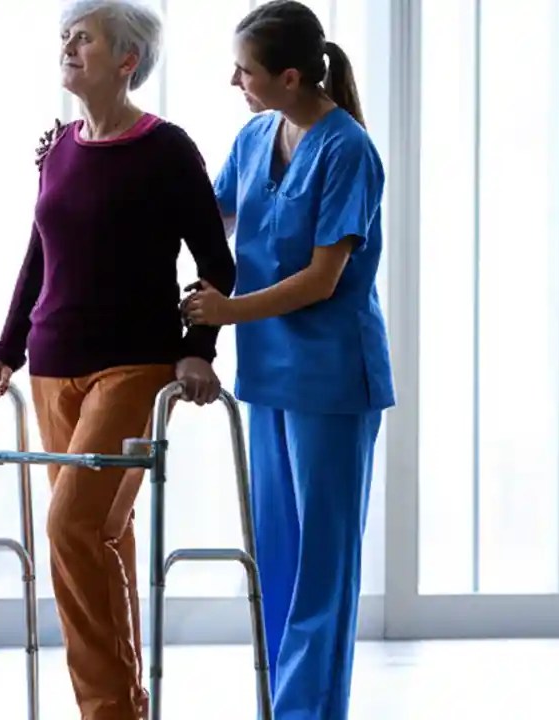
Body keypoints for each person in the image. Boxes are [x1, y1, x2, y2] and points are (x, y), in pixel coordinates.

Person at [0, 1, 237, 718]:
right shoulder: (57, 148)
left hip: (135, 367)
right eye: (65, 35)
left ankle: (109, 710)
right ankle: (126, 702)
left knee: (72, 528)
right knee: (102, 537)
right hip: (56, 361)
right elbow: (39, 259)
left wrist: (196, 351)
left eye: (82, 37)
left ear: (126, 60)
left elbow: (216, 262)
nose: (67, 45)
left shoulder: (169, 149)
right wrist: (5, 351)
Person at [181, 1, 394, 717]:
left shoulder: (348, 150)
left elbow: (323, 277)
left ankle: (310, 711)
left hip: (333, 380)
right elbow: (213, 216)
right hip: (269, 375)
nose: (233, 80)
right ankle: (280, 704)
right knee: (277, 554)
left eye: (244, 70)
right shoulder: (253, 137)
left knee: (322, 569)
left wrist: (227, 312)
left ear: (291, 75)